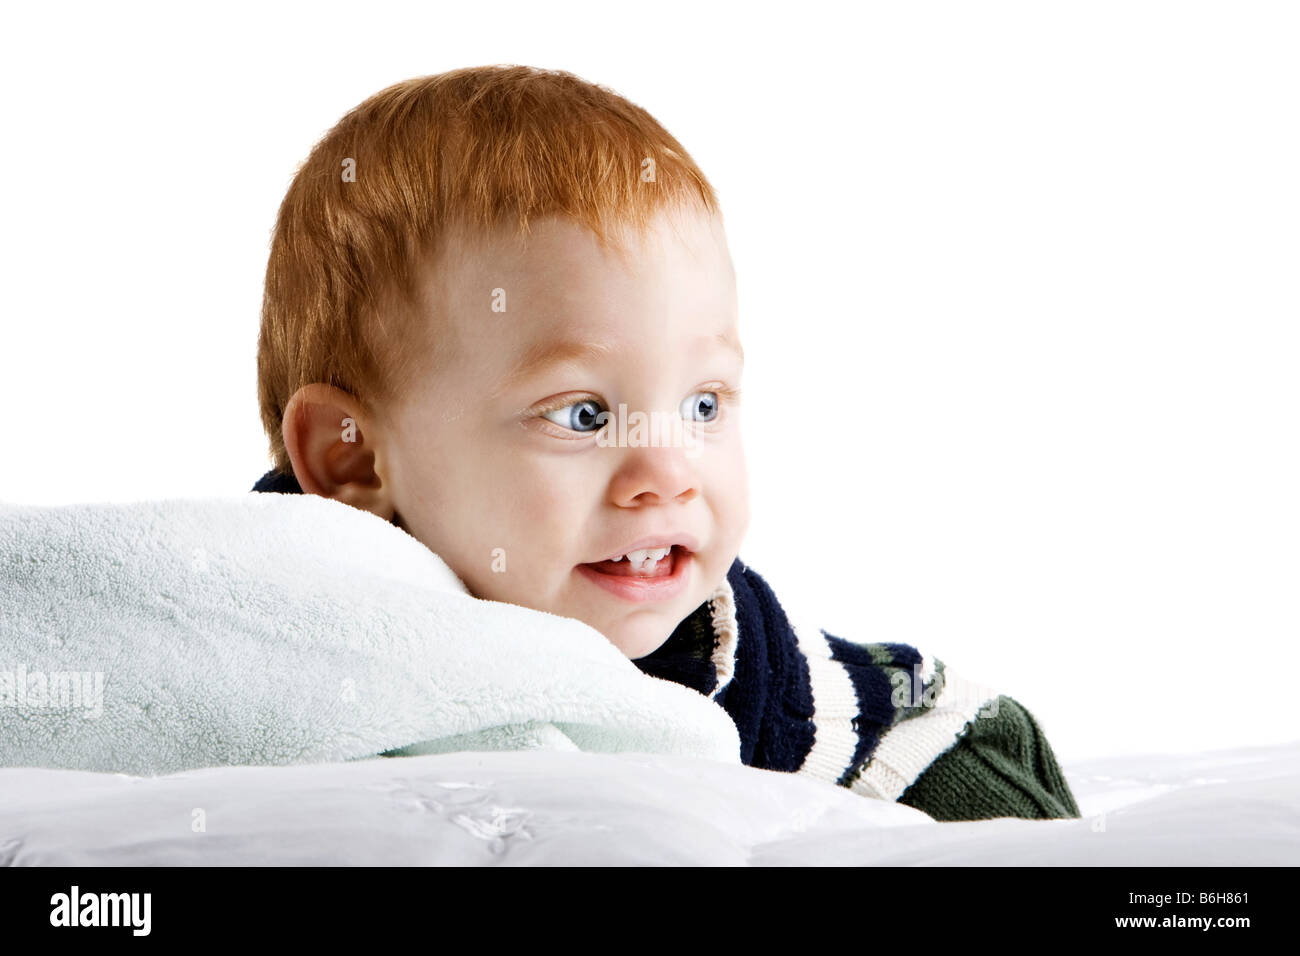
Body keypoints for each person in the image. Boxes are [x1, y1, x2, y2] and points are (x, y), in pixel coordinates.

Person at [252, 65, 1080, 822]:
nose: (668, 474)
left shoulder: (738, 665)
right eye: (583, 415)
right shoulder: (254, 640)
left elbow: (942, 733)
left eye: (703, 404)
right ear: (352, 456)